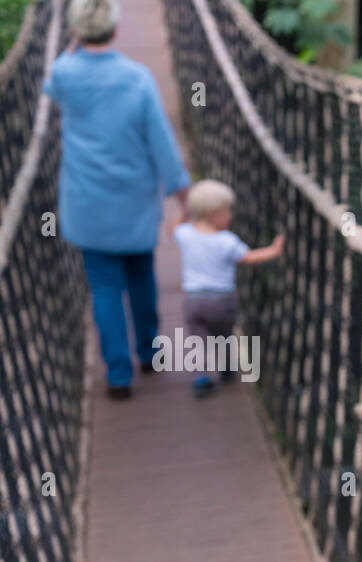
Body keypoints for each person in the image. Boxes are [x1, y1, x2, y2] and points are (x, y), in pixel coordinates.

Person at [43, 0, 190, 400]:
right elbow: (160, 140)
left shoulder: (64, 73)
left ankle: (119, 375)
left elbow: (48, 85)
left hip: (87, 204)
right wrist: (181, 189)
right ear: (115, 31)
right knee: (142, 275)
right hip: (134, 200)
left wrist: (72, 46)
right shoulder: (137, 78)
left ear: (76, 30)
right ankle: (149, 351)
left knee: (104, 287)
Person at [170, 179, 283, 396]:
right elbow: (248, 257)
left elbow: (173, 228)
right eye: (227, 211)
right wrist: (273, 251)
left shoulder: (186, 235)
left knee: (198, 341)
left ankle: (201, 378)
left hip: (193, 301)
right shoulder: (227, 240)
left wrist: (184, 211)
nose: (231, 215)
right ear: (213, 213)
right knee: (223, 337)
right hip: (221, 302)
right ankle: (227, 368)